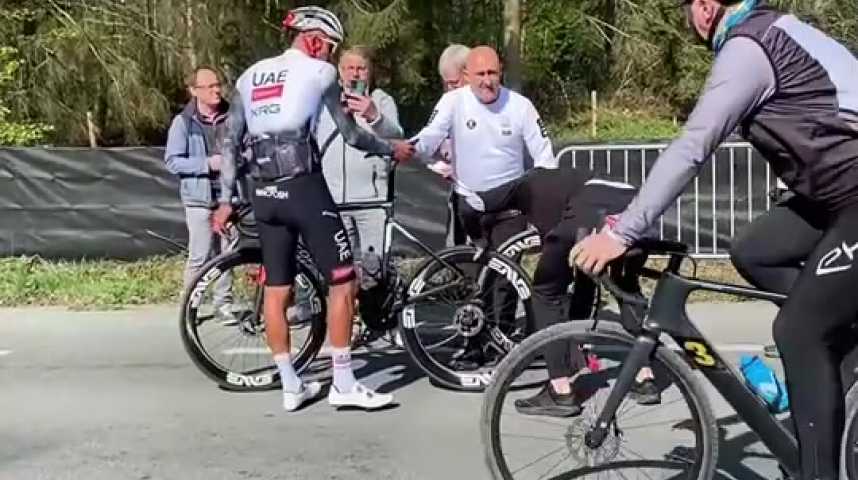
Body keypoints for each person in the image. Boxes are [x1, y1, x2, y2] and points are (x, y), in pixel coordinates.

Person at [571, 1, 858, 478]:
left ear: (704, 7)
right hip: (833, 196)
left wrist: (624, 232)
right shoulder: (777, 31)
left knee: (798, 331)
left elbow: (694, 144)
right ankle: (841, 347)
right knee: (755, 250)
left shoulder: (749, 49)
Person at [212, 6, 414, 412]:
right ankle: (343, 382)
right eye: (331, 47)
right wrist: (390, 148)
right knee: (343, 281)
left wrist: (224, 200)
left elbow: (230, 143)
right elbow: (352, 134)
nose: (332, 58)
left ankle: (291, 385)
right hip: (304, 188)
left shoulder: (250, 76)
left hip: (262, 193)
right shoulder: (319, 73)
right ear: (314, 40)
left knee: (277, 290)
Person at [412, 45, 556, 369]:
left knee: (504, 280)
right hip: (470, 207)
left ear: (500, 71)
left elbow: (545, 157)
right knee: (474, 279)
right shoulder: (453, 101)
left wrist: (547, 202)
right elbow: (428, 138)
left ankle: (501, 344)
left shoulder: (520, 107)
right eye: (480, 74)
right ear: (466, 76)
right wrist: (411, 151)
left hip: (510, 208)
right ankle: (472, 344)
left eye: (493, 73)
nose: (487, 81)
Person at [318, 46, 403, 284]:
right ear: (339, 71)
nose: (355, 74)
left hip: (372, 200)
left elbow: (397, 137)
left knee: (373, 268)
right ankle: (347, 318)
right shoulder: (326, 103)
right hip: (334, 200)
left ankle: (372, 318)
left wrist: (374, 115)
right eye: (349, 68)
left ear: (370, 72)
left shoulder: (382, 100)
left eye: (361, 68)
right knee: (340, 269)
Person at [164, 66, 235, 324]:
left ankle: (223, 305)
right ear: (194, 91)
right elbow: (172, 161)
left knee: (228, 254)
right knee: (200, 255)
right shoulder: (182, 122)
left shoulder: (233, 117)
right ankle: (189, 305)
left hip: (230, 197)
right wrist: (207, 164)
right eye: (210, 86)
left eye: (218, 85)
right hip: (199, 199)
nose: (217, 90)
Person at [435, 44, 471, 247]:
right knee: (456, 247)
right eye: (446, 84)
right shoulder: (446, 103)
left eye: (454, 83)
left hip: (491, 195)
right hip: (459, 192)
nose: (450, 89)